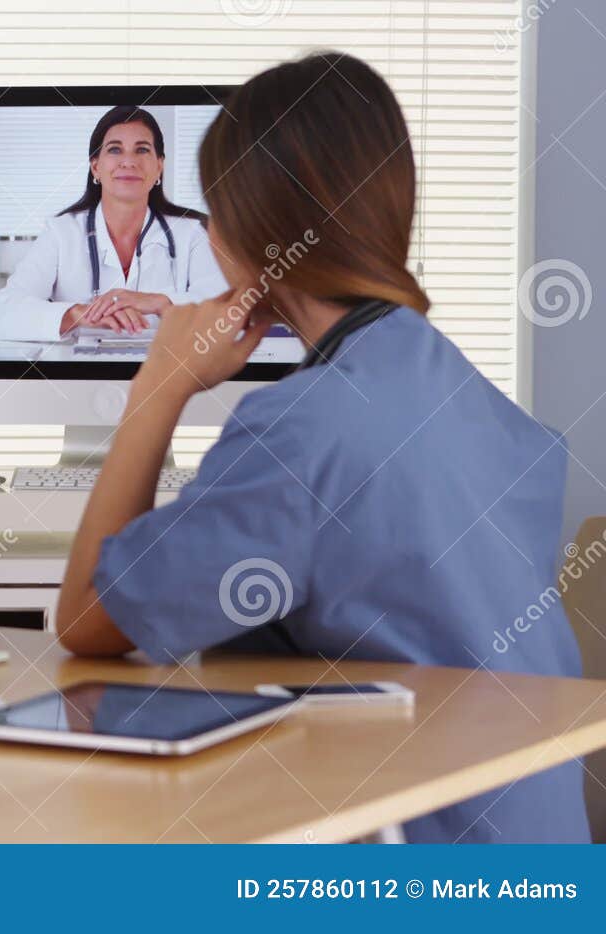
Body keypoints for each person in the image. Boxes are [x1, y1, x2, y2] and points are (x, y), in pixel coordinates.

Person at [51, 52, 587, 843]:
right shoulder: (479, 405)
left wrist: (159, 386)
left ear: (244, 233)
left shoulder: (305, 430)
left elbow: (90, 621)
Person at [0, 105, 227, 341]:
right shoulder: (62, 232)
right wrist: (78, 314)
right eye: (115, 150)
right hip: (82, 377)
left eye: (142, 150)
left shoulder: (191, 233)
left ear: (159, 166)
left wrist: (158, 302)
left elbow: (227, 310)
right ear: (96, 167)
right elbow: (4, 312)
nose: (128, 161)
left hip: (171, 373)